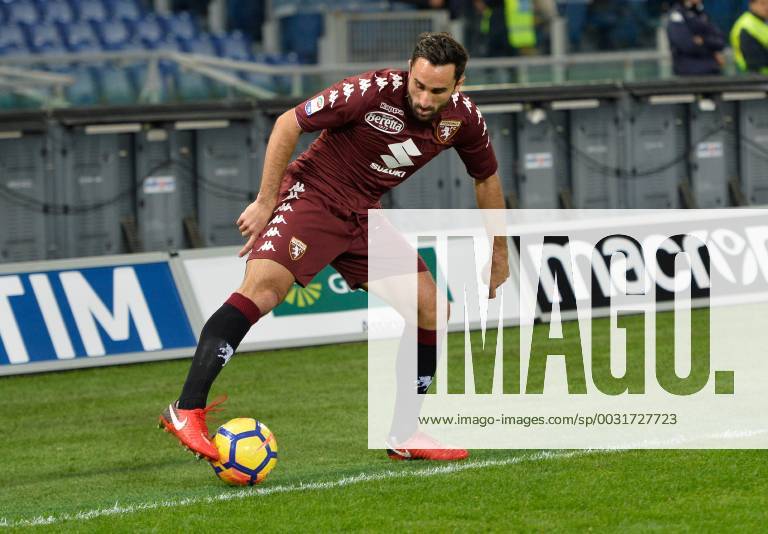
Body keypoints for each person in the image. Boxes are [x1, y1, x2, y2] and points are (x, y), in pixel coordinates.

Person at [159, 32, 510, 462]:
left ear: (458, 85)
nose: (423, 97)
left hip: (362, 216)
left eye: (436, 90)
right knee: (264, 291)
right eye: (418, 85)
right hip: (313, 197)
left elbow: (486, 179)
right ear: (409, 70)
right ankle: (187, 409)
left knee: (432, 308)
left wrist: (499, 252)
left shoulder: (465, 119)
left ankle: (404, 432)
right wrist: (267, 200)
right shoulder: (369, 92)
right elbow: (289, 122)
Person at [667, 0, 726, 76]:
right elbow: (687, 45)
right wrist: (712, 52)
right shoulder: (677, 15)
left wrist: (703, 40)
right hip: (688, 73)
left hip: (712, 70)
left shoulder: (702, 13)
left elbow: (720, 41)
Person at [731, 0, 768, 74]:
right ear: (751, 5)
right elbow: (755, 60)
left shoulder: (762, 21)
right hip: (752, 77)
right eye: (762, 3)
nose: (767, 7)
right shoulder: (746, 26)